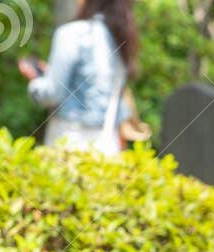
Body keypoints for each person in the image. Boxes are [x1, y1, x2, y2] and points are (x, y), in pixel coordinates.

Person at [20, 0, 139, 155]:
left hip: (70, 143)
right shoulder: (121, 37)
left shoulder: (72, 33)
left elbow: (52, 93)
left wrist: (36, 82)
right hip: (108, 144)